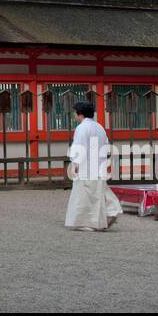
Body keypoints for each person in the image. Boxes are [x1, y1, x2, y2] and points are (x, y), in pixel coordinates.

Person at [64, 99, 122, 231]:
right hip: (99, 165)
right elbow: (106, 145)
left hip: (86, 166)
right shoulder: (99, 127)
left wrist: (74, 164)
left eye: (75, 113)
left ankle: (88, 223)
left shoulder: (82, 128)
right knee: (98, 193)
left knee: (85, 196)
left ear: (80, 114)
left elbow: (79, 147)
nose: (74, 115)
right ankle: (109, 212)